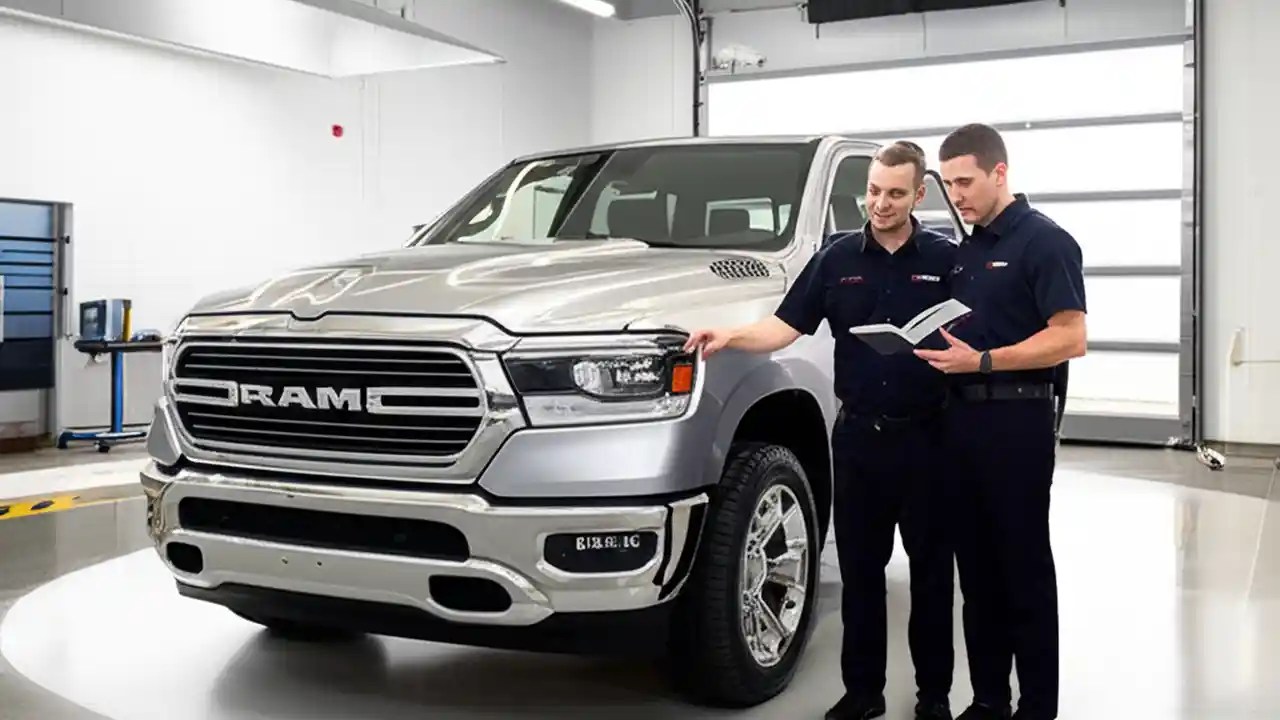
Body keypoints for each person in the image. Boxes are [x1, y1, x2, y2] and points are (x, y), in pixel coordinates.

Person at [684, 141, 956, 720]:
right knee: (860, 574)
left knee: (932, 576)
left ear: (919, 194)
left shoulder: (945, 257)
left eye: (895, 194)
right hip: (858, 441)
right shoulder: (836, 260)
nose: (881, 203)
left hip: (929, 440)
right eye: (874, 191)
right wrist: (729, 336)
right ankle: (863, 694)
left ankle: (933, 695)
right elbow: (786, 327)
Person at [915, 123, 1087, 720]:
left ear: (1000, 173)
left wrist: (981, 360)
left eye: (965, 181)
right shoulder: (968, 251)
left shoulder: (1046, 243)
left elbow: (1070, 338)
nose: (956, 194)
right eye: (948, 183)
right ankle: (989, 699)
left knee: (1023, 570)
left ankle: (1038, 707)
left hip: (1017, 423)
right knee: (977, 572)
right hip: (958, 425)